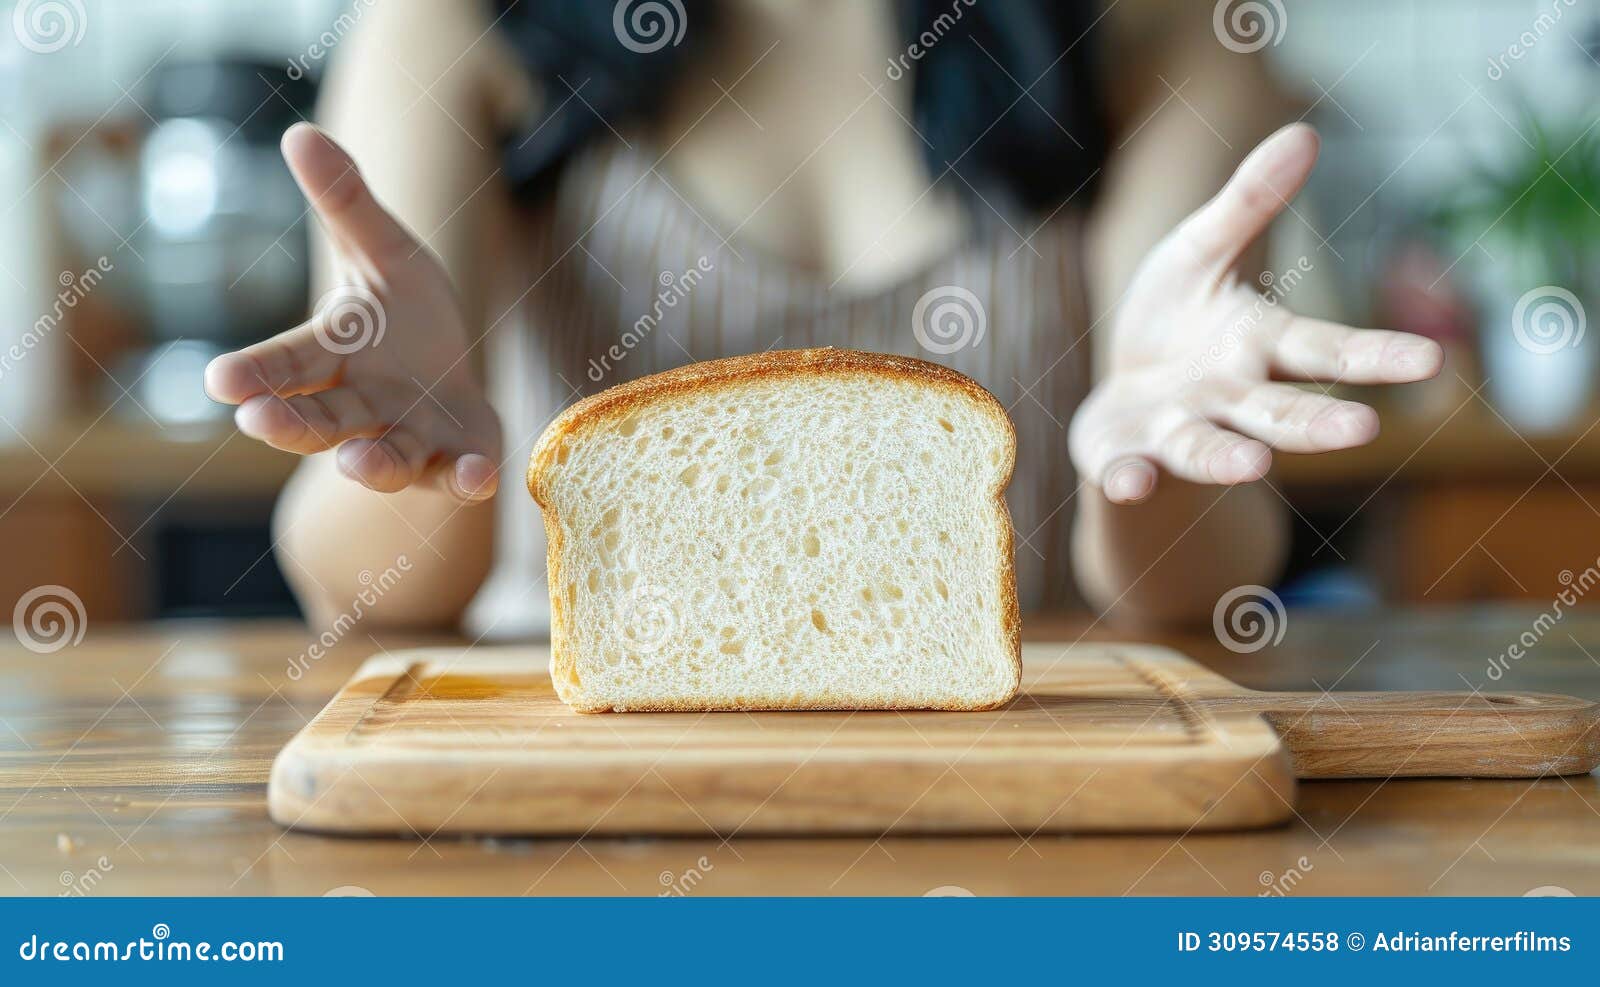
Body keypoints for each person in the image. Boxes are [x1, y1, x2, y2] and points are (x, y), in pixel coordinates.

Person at [202, 0, 1442, 634]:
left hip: (1018, 787)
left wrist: (1157, 461)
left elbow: (1189, 594)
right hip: (572, 789)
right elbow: (366, 605)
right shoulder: (453, 22)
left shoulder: (1162, 30)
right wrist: (416, 458)